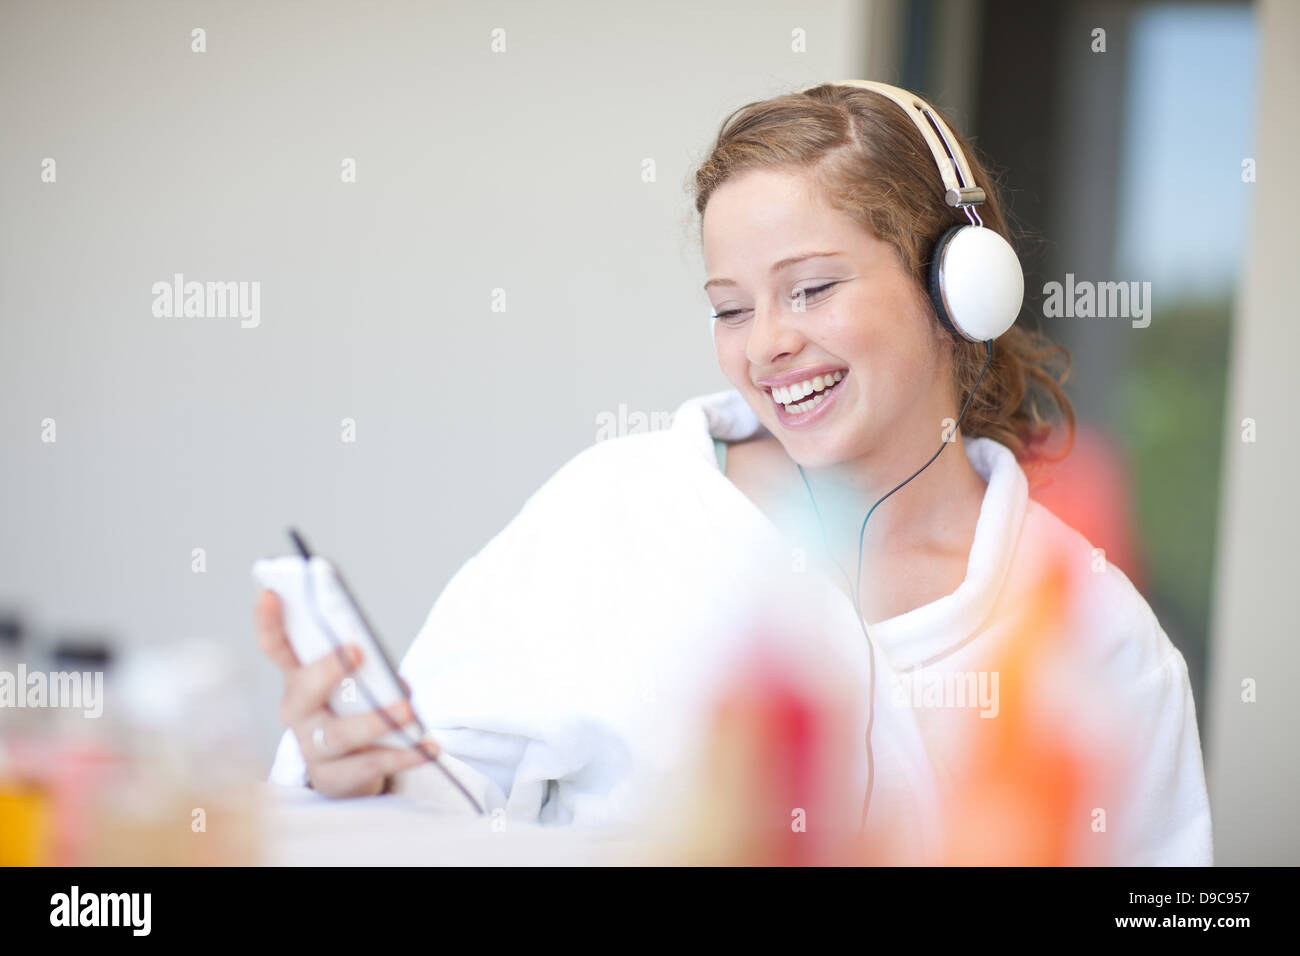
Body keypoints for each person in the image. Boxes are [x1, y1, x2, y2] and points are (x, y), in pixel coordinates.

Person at [254, 81, 1213, 864]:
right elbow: (442, 802)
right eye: (730, 308)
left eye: (812, 288)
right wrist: (354, 778)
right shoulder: (614, 515)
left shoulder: (1095, 636)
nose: (770, 345)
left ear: (956, 287)